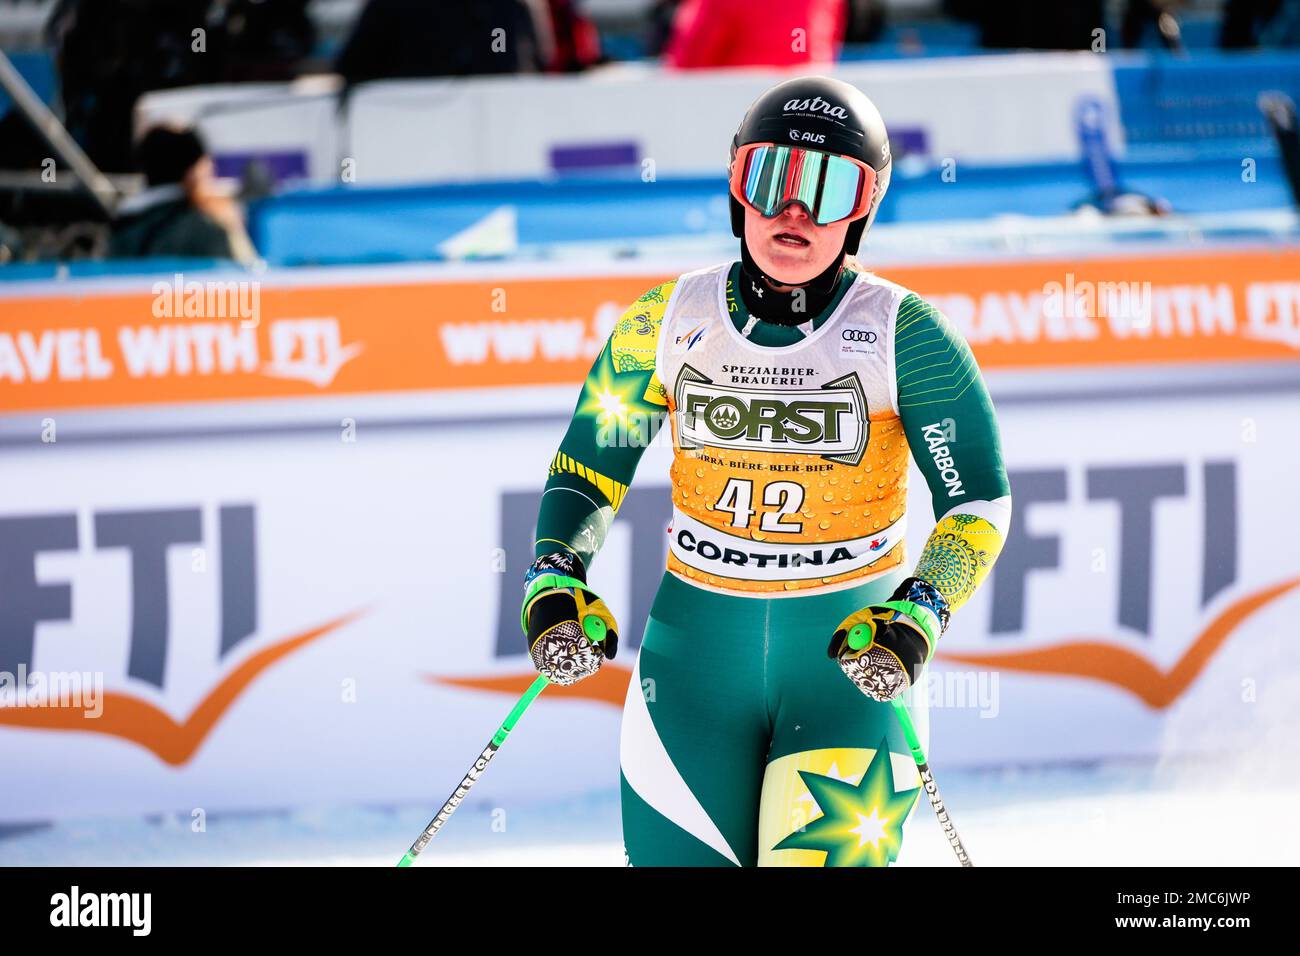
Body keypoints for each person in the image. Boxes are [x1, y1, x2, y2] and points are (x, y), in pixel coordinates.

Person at [521, 76, 1011, 867]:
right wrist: (555, 575)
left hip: (850, 669)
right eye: (770, 178)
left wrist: (923, 607)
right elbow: (588, 465)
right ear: (734, 184)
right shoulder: (665, 320)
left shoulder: (905, 334)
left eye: (827, 187)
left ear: (864, 207)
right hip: (691, 672)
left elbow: (978, 500)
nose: (793, 211)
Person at [108, 126, 256, 263]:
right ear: (193, 173)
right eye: (205, 166)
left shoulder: (121, 228)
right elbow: (246, 282)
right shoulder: (208, 228)